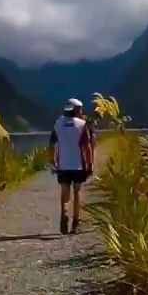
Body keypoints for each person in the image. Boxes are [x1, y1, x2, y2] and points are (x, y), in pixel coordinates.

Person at [49, 97, 96, 235]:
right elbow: (87, 147)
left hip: (63, 165)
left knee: (65, 194)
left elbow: (51, 145)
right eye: (80, 109)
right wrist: (90, 164)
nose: (81, 112)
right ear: (75, 110)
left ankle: (64, 214)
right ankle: (75, 222)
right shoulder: (82, 125)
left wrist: (52, 161)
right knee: (77, 193)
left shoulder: (57, 124)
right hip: (78, 165)